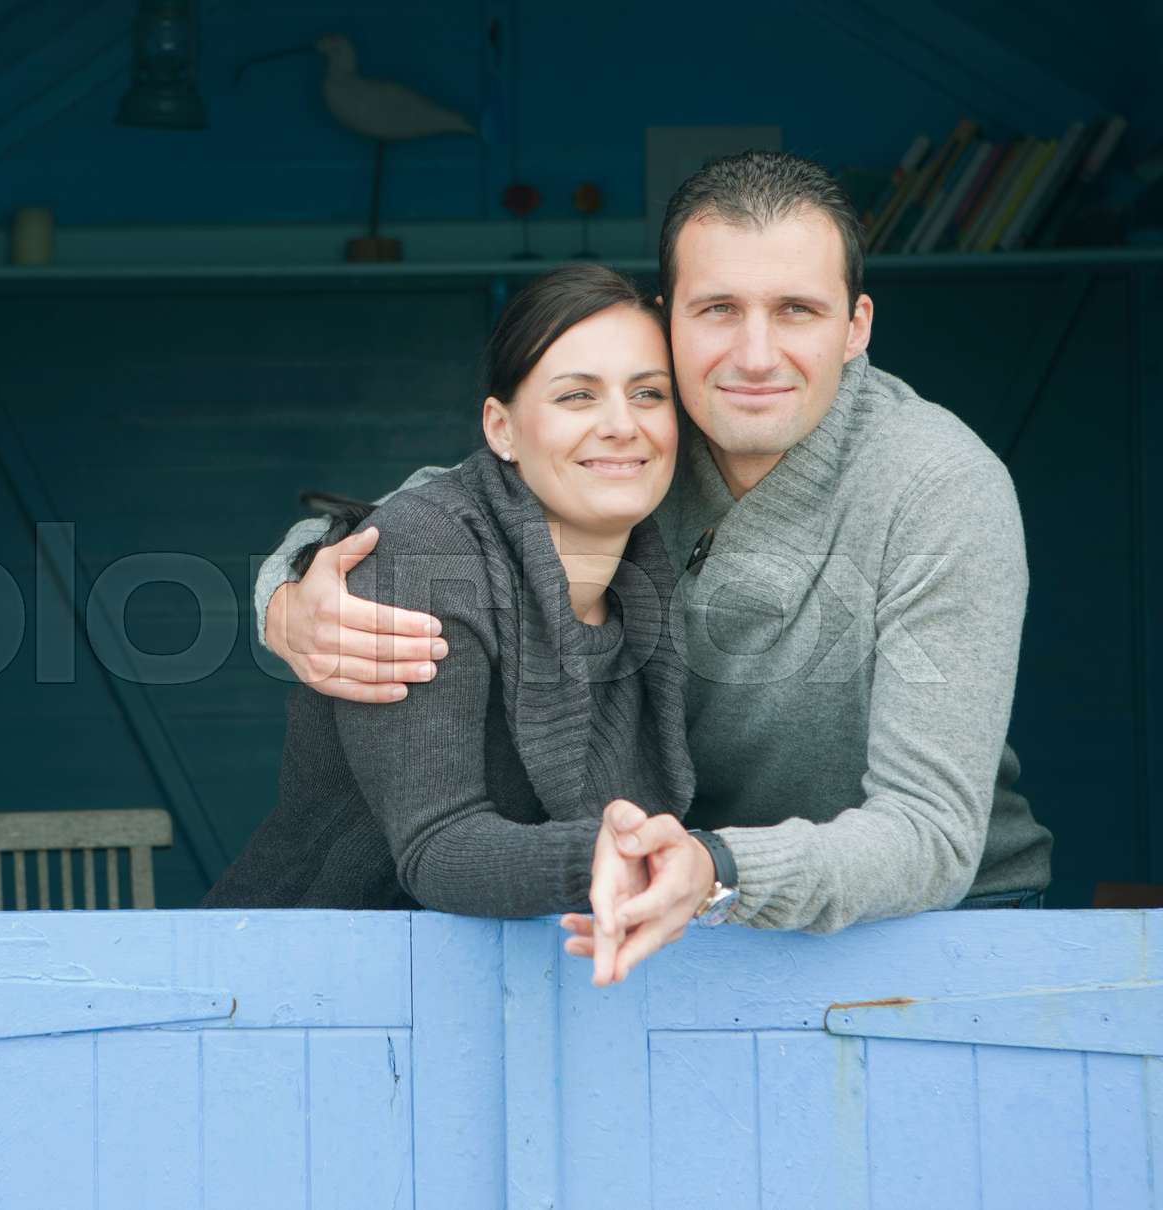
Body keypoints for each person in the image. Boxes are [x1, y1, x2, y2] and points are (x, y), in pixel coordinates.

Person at [252, 151, 1054, 983]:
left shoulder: (940, 486)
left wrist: (720, 868)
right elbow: (445, 498)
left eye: (796, 311)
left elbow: (930, 829)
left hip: (932, 928)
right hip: (675, 903)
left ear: (855, 327)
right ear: (670, 317)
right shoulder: (639, 434)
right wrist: (284, 594)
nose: (753, 356)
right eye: (718, 310)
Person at [205, 265, 700, 986]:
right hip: (296, 987)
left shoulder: (655, 575)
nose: (622, 424)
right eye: (576, 396)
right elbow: (437, 846)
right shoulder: (426, 549)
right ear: (502, 428)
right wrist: (612, 856)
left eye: (648, 393)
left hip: (505, 995)